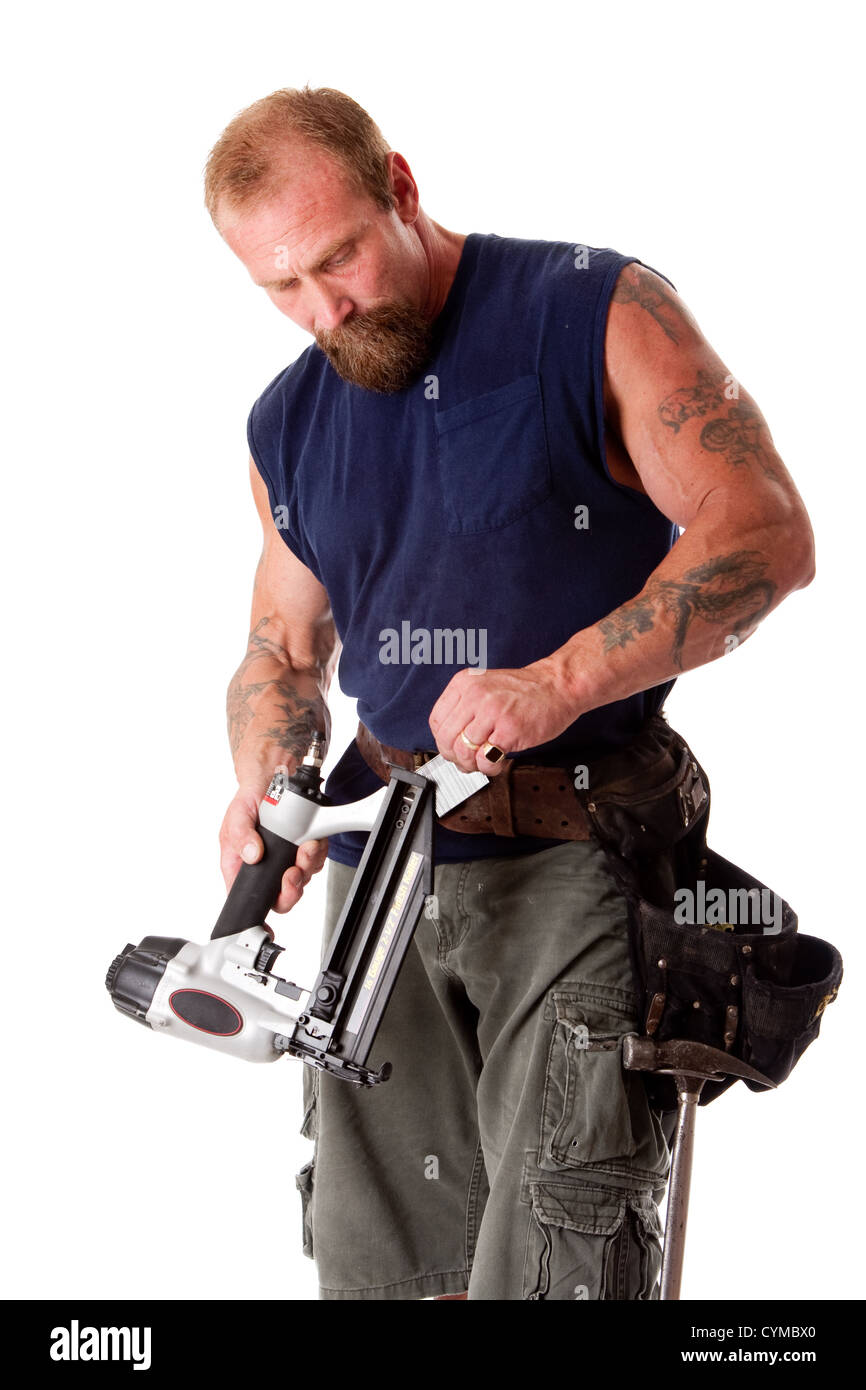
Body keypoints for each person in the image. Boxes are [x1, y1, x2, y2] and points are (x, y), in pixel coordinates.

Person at [203, 86, 815, 1300]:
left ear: (402, 188)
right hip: (386, 884)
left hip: (577, 863)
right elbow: (279, 643)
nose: (323, 309)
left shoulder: (589, 310)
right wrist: (270, 791)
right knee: (384, 1270)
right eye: (283, 286)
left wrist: (556, 680)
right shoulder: (289, 419)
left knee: (556, 1260)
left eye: (340, 259)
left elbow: (763, 533)